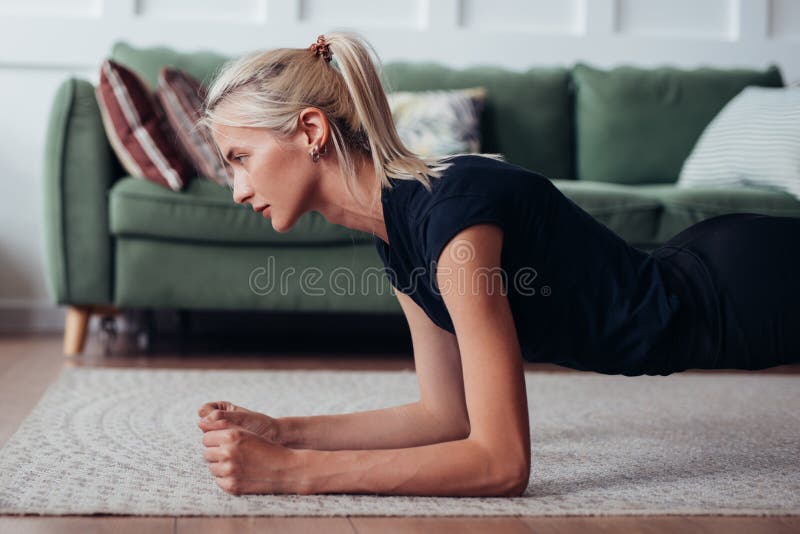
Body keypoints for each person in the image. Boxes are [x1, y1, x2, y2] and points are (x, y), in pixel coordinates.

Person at [193, 31, 800, 497]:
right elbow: (445, 415)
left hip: (745, 292)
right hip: (713, 264)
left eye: (241, 157)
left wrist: (293, 473)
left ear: (311, 131)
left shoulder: (454, 224)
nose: (238, 189)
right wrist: (284, 433)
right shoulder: (397, 231)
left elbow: (501, 463)